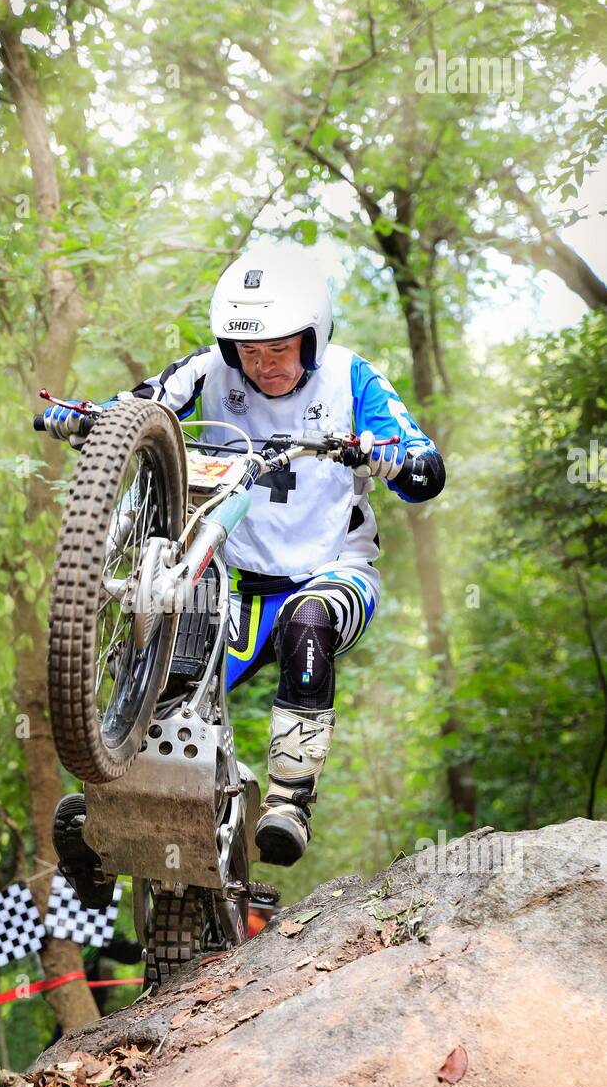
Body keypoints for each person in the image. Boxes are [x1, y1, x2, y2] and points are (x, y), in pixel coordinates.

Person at [127, 240, 445, 867]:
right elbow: (140, 407)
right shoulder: (209, 372)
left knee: (308, 622)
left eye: (279, 348)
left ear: (313, 336)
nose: (265, 365)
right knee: (170, 679)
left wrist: (392, 458)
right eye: (249, 350)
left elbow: (427, 472)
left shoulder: (353, 377)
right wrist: (94, 420)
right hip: (236, 580)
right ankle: (113, 798)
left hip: (332, 570)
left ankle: (290, 801)